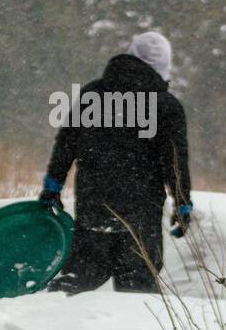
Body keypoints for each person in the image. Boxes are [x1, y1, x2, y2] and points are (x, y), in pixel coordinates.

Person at [42, 32, 192, 294]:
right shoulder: (166, 106)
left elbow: (66, 144)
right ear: (163, 67)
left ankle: (46, 329)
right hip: (141, 217)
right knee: (138, 290)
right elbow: (175, 163)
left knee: (78, 283)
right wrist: (182, 202)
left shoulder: (92, 94)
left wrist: (52, 187)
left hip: (94, 208)